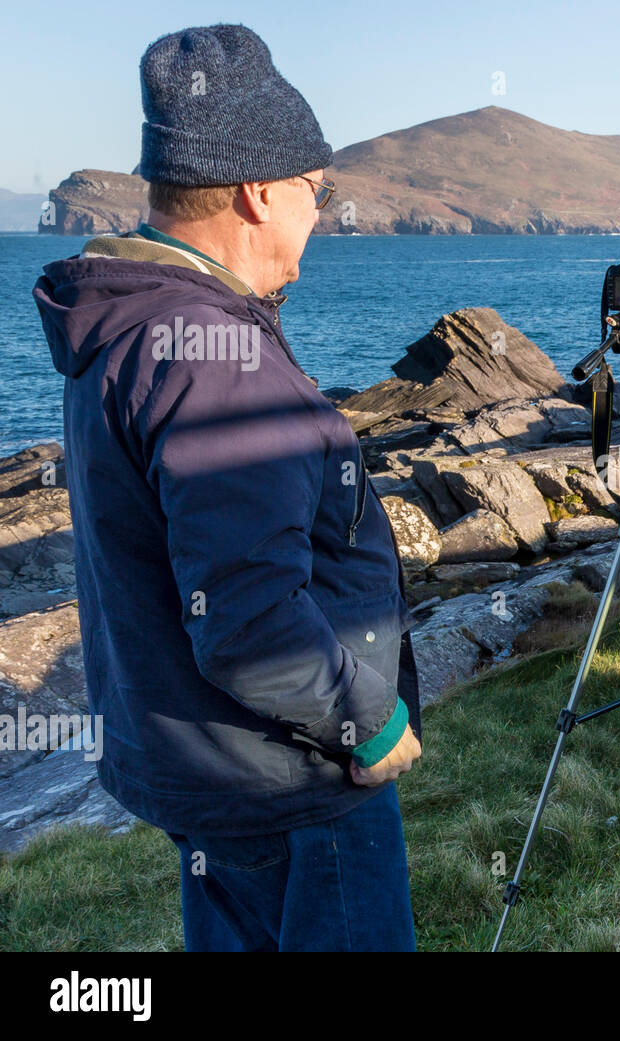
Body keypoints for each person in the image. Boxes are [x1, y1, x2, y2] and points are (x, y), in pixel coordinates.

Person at [32, 23, 423, 952]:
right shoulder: (219, 360)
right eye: (314, 191)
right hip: (289, 784)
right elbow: (248, 620)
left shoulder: (128, 326)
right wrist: (368, 725)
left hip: (208, 773)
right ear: (257, 191)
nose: (322, 214)